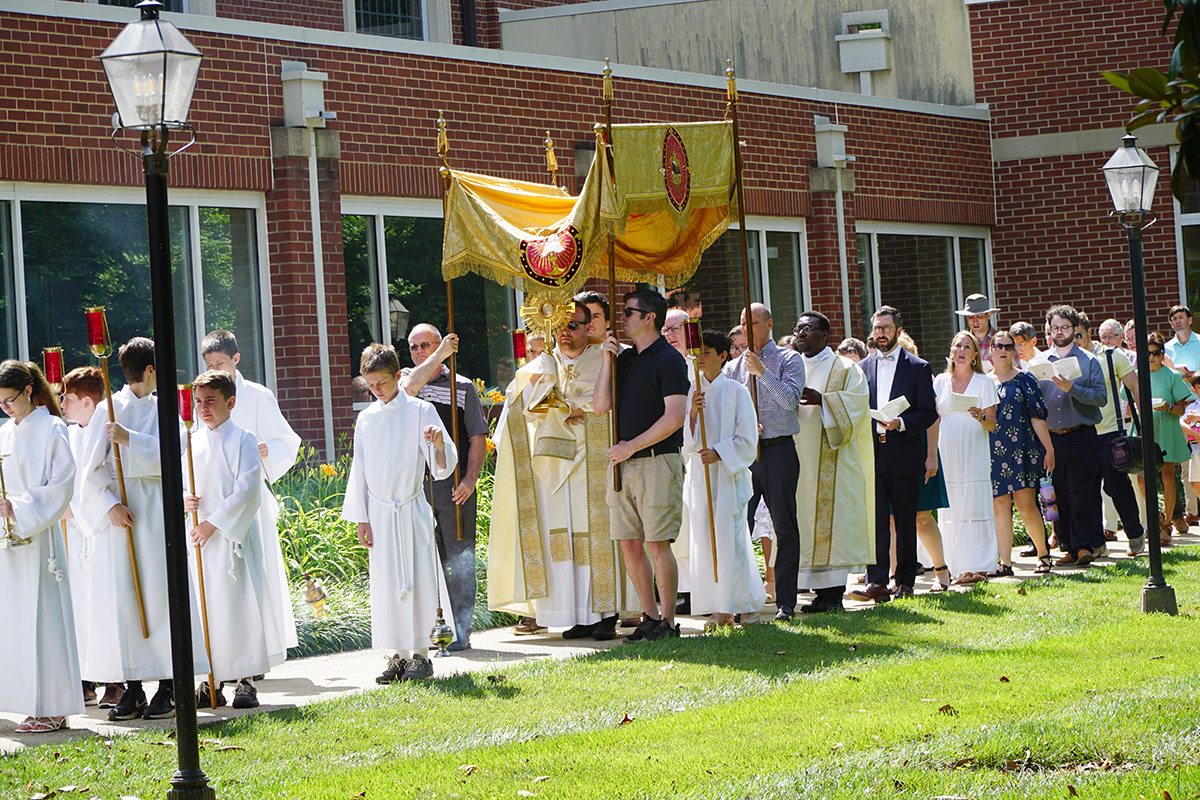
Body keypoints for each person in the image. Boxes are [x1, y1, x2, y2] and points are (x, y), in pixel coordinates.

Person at [78, 337, 208, 722]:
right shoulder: (108, 408)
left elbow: (177, 453)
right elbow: (88, 471)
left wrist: (129, 439)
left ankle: (169, 684)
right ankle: (133, 688)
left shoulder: (165, 407)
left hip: (157, 511)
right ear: (151, 369)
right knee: (124, 598)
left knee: (162, 594)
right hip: (122, 517)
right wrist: (109, 505)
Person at [487, 304, 623, 640]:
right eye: (561, 325)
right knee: (562, 539)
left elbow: (612, 405)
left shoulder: (605, 359)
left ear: (588, 327)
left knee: (597, 536)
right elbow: (528, 405)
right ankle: (577, 614)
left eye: (574, 325)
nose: (566, 332)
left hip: (595, 460)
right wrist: (565, 406)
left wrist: (569, 408)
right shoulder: (543, 364)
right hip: (554, 462)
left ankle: (605, 614)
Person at [343, 343, 457, 683]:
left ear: (397, 375)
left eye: (382, 382)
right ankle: (397, 655)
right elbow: (359, 469)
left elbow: (442, 464)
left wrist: (438, 444)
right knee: (388, 582)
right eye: (371, 385)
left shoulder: (420, 411)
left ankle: (420, 654)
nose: (377, 390)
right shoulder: (367, 418)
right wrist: (362, 517)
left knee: (417, 578)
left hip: (409, 506)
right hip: (379, 513)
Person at [201, 329, 302, 670]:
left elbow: (287, 440)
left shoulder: (258, 395)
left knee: (257, 572)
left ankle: (261, 650)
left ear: (236, 359)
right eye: (210, 365)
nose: (216, 369)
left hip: (249, 499)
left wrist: (267, 450)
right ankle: (226, 653)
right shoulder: (204, 397)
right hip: (214, 501)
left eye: (221, 363)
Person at [593, 289, 689, 641]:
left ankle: (668, 621)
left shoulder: (670, 360)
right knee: (629, 542)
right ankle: (648, 615)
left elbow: (675, 417)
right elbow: (600, 405)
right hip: (625, 463)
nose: (622, 318)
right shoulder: (625, 359)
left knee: (657, 542)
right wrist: (607, 360)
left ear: (650, 317)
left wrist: (630, 446)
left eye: (629, 312)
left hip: (657, 460)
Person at [183, 370, 271, 710]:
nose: (203, 408)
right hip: (202, 540)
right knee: (209, 609)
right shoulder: (192, 441)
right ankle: (212, 680)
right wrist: (186, 499)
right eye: (198, 402)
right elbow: (184, 481)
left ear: (230, 402)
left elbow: (247, 490)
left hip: (232, 537)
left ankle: (245, 680)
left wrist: (212, 523)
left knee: (239, 607)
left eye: (211, 400)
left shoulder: (243, 439)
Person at [0, 360, 79, 733]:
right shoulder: (5, 433)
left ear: (28, 391)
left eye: (10, 399)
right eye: (0, 402)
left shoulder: (52, 429)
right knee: (13, 621)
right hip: (9, 543)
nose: (5, 407)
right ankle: (20, 702)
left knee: (45, 621)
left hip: (40, 539)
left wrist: (18, 507)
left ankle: (53, 706)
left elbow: (63, 483)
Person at [401, 323, 488, 651]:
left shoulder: (461, 386)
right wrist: (436, 357)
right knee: (424, 560)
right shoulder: (404, 381)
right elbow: (409, 389)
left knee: (459, 558)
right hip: (415, 486)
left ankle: (461, 630)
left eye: (426, 345)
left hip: (453, 486)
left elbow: (477, 436)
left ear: (440, 345)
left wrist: (470, 480)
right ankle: (431, 629)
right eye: (414, 347)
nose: (419, 352)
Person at [724, 302, 805, 619]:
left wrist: (763, 372)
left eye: (753, 322)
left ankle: (786, 601)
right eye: (743, 322)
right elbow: (727, 409)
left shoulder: (788, 359)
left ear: (769, 324)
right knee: (739, 526)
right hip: (746, 454)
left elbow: (790, 401)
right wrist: (743, 426)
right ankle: (741, 600)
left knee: (784, 527)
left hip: (778, 450)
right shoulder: (733, 368)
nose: (747, 328)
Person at [850, 306, 937, 602]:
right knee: (875, 521)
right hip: (872, 453)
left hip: (904, 451)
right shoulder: (862, 368)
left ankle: (905, 581)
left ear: (898, 331)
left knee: (904, 520)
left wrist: (901, 422)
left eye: (886, 328)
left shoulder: (918, 367)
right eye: (877, 328)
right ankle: (876, 581)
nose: (880, 333)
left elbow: (928, 413)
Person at [791, 313, 874, 613]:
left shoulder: (846, 369)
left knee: (833, 524)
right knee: (802, 520)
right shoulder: (791, 366)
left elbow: (858, 406)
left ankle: (833, 594)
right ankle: (817, 592)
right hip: (798, 459)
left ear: (826, 334)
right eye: (798, 329)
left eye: (808, 328)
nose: (801, 334)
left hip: (833, 461)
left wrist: (823, 400)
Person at [683, 330, 764, 629]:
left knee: (731, 539)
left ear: (723, 355)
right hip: (700, 476)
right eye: (698, 352)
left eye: (707, 352)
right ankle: (718, 606)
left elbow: (748, 438)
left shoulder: (736, 392)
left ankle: (742, 605)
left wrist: (719, 453)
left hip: (727, 476)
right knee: (705, 540)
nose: (701, 358)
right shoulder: (693, 391)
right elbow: (684, 439)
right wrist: (692, 414)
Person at [60, 366, 119, 709]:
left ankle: (115, 680)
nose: (62, 404)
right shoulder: (69, 434)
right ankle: (84, 677)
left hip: (98, 528)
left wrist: (74, 509)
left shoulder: (105, 429)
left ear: (86, 401)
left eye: (67, 398)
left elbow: (102, 480)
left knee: (102, 607)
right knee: (78, 608)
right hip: (73, 532)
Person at [1036, 305, 1107, 567]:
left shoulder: (1089, 360)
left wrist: (1072, 388)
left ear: (1075, 329)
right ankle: (1069, 546)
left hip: (1080, 435)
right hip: (1051, 439)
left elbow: (1100, 397)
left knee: (1081, 492)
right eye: (1054, 328)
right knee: (1060, 494)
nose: (1059, 332)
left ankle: (1083, 546)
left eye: (1064, 327)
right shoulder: (1039, 362)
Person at [934, 332, 1000, 583]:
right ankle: (952, 565)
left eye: (967, 347)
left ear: (974, 355)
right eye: (957, 346)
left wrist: (980, 416)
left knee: (973, 503)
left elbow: (992, 424)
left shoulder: (984, 382)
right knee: (950, 506)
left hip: (973, 448)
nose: (961, 350)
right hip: (947, 449)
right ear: (951, 351)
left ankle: (978, 566)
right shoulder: (940, 382)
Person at [988, 329, 1054, 575]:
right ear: (991, 350)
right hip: (993, 452)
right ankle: (1005, 562)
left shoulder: (1025, 379)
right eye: (998, 346)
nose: (1003, 351)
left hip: (1022, 449)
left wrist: (1049, 448)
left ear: (1014, 351)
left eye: (1008, 346)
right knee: (999, 506)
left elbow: (1037, 417)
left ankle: (1043, 554)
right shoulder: (984, 381)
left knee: (1026, 505)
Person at [1087, 318, 1146, 555]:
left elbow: (1136, 386)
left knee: (1116, 485)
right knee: (1087, 490)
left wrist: (1143, 423)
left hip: (1111, 431)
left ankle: (1134, 532)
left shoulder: (1112, 356)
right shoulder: (1069, 359)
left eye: (1079, 334)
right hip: (1082, 434)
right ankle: (1096, 543)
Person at [1143, 332, 1192, 548]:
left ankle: (1166, 524)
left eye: (1156, 353)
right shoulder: (1137, 376)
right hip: (1145, 430)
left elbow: (1182, 408)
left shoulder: (1171, 376)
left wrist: (1169, 407)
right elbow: (1127, 403)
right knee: (1142, 478)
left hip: (1167, 428)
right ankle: (1157, 515)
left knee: (1167, 475)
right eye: (1147, 353)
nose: (1151, 357)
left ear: (1163, 354)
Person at [956, 293, 1000, 367]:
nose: (975, 321)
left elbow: (1016, 370)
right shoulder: (959, 344)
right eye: (970, 317)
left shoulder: (1003, 342)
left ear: (989, 315)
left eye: (979, 316)